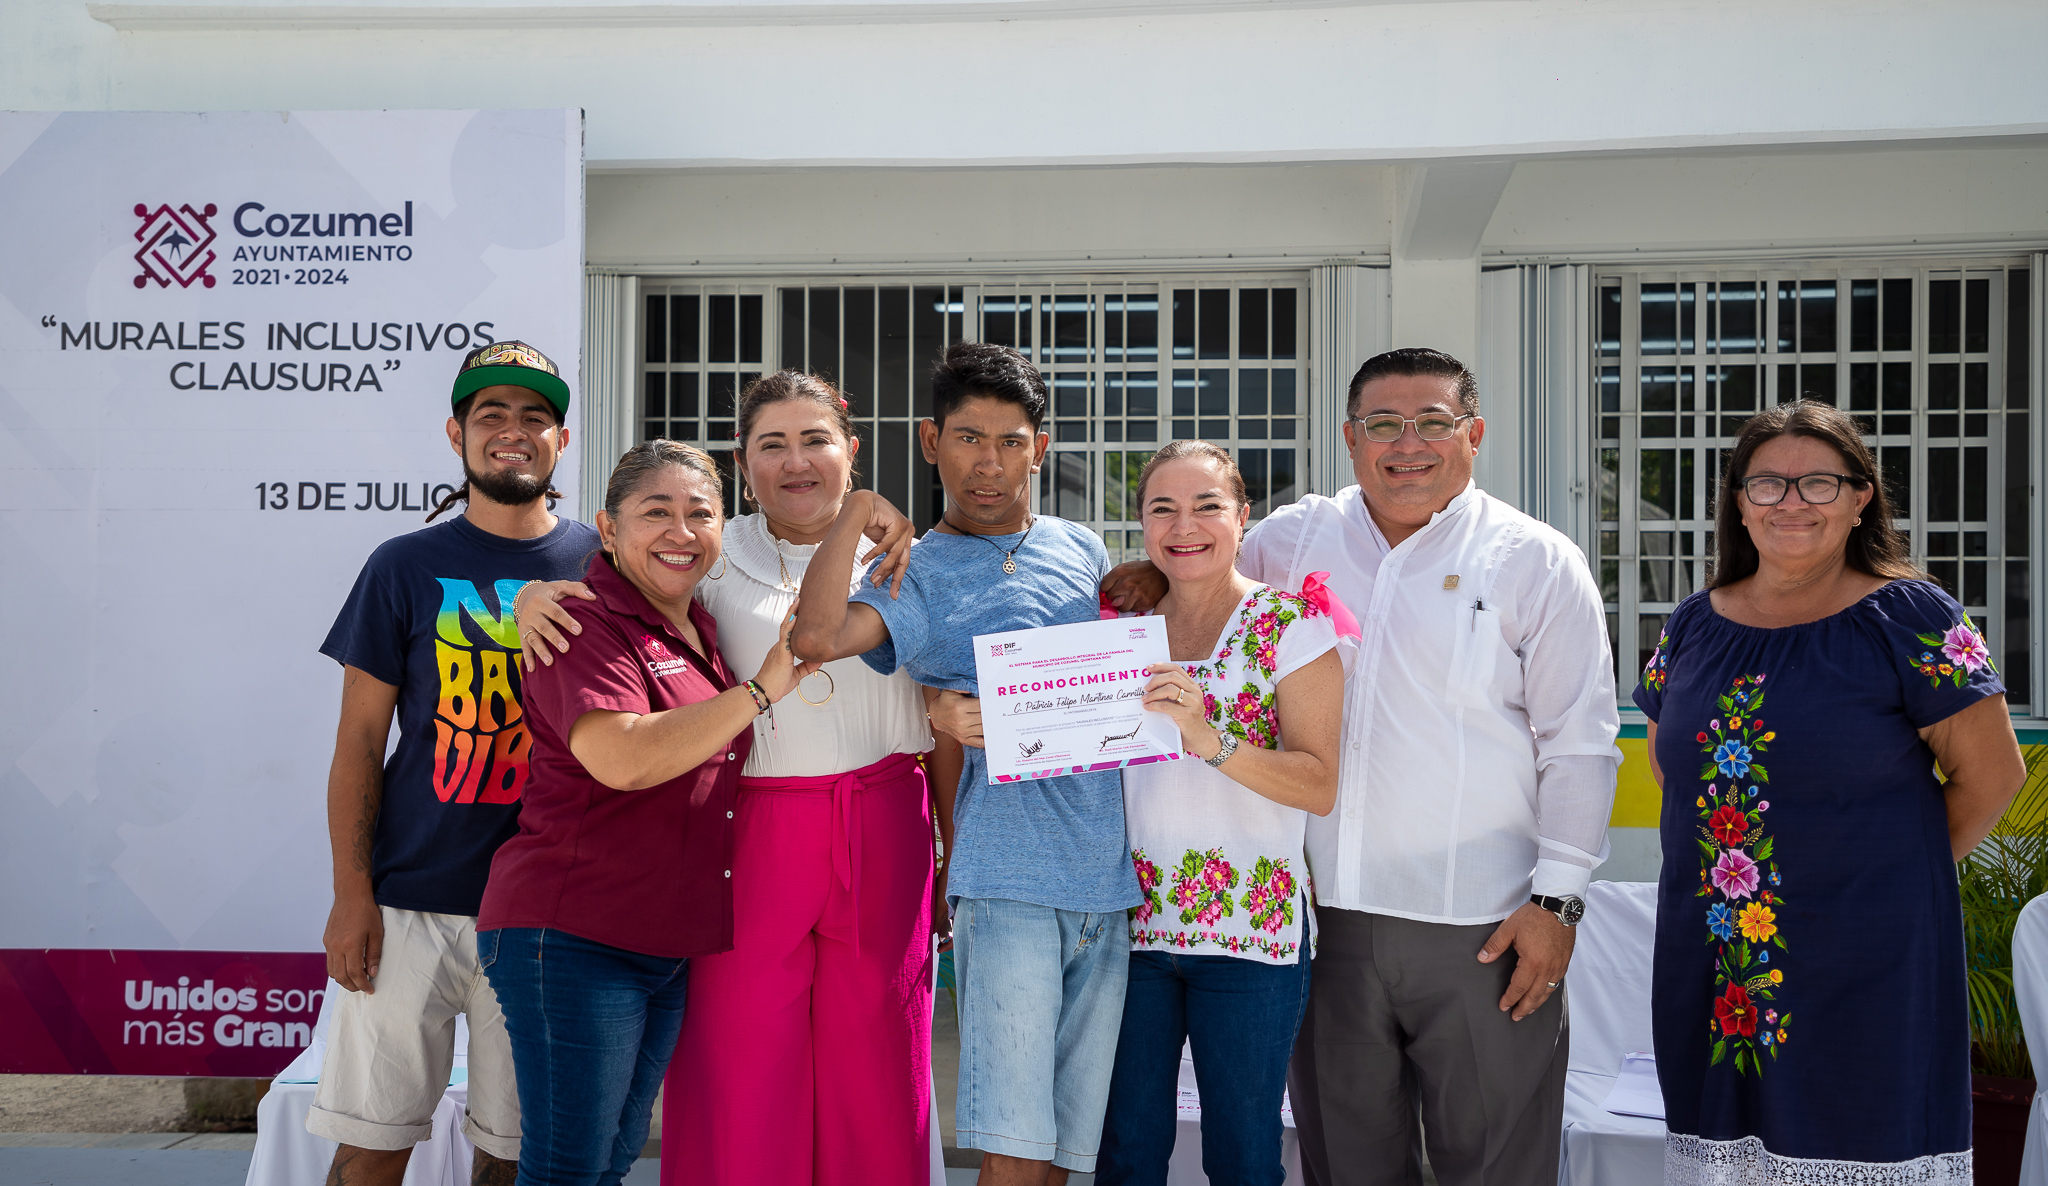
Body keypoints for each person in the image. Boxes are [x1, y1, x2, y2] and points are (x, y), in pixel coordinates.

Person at [1102, 347, 1621, 1186]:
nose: (1406, 443)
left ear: (1475, 433)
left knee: (1494, 1164)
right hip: (1324, 922)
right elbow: (1200, 568)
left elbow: (1580, 743)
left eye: (1434, 423)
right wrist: (1141, 579)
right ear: (1351, 438)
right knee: (1345, 1164)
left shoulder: (1534, 559)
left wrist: (1557, 901)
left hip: (1480, 925)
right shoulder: (1296, 536)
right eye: (1383, 424)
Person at [514, 372, 955, 1186]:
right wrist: (532, 592)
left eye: (815, 440)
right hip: (747, 832)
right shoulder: (709, 553)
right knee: (742, 1063)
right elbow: (613, 576)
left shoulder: (911, 559)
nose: (796, 462)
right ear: (742, 461)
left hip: (885, 824)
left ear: (851, 453)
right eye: (772, 445)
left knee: (881, 1060)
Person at [1634, 400, 2024, 1182]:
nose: (1791, 502)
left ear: (1861, 498)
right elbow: (1670, 766)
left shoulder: (1912, 616)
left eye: (1818, 483)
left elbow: (1994, 775)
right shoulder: (1690, 626)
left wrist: (1882, 879)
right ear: (1738, 503)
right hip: (1718, 961)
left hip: (1870, 959)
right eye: (1768, 484)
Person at [792, 342, 1140, 1186]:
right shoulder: (911, 573)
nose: (989, 463)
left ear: (1040, 449)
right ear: (929, 441)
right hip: (1006, 882)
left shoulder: (1081, 548)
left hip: (1109, 884)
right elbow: (813, 640)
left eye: (1011, 441)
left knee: (1065, 1155)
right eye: (968, 438)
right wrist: (854, 514)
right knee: (1013, 1150)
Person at [474, 440, 825, 1186]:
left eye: (700, 513)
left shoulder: (698, 622)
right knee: (568, 1167)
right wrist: (759, 693)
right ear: (607, 527)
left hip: (658, 942)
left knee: (609, 1159)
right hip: (573, 935)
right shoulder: (582, 621)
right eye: (655, 512)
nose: (680, 530)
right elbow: (625, 759)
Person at [311, 340, 592, 1186]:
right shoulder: (404, 565)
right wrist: (351, 896)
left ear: (561, 442)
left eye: (535, 417)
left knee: (514, 1156)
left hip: (548, 908)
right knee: (371, 1147)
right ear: (456, 433)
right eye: (492, 415)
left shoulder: (601, 566)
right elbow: (360, 742)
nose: (514, 432)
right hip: (408, 902)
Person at [1090, 442, 1345, 1186]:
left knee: (1242, 1151)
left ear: (1242, 517)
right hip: (1132, 926)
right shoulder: (1118, 632)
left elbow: (1318, 784)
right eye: (1162, 507)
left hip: (1252, 933)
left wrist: (1212, 740)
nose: (1184, 524)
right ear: (1141, 524)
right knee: (1127, 1149)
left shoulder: (1288, 625)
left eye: (1206, 505)